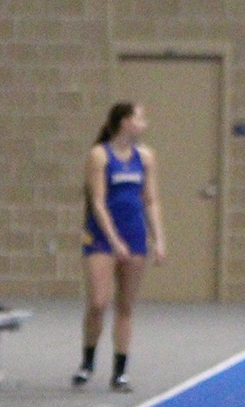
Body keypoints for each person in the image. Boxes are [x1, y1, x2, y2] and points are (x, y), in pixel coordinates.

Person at [76, 101, 166, 392]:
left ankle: (120, 371)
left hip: (134, 235)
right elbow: (98, 202)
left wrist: (159, 239)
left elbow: (150, 200)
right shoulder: (99, 155)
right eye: (140, 118)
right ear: (125, 122)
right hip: (102, 237)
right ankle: (87, 360)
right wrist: (114, 240)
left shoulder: (146, 157)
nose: (145, 124)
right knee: (98, 303)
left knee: (125, 305)